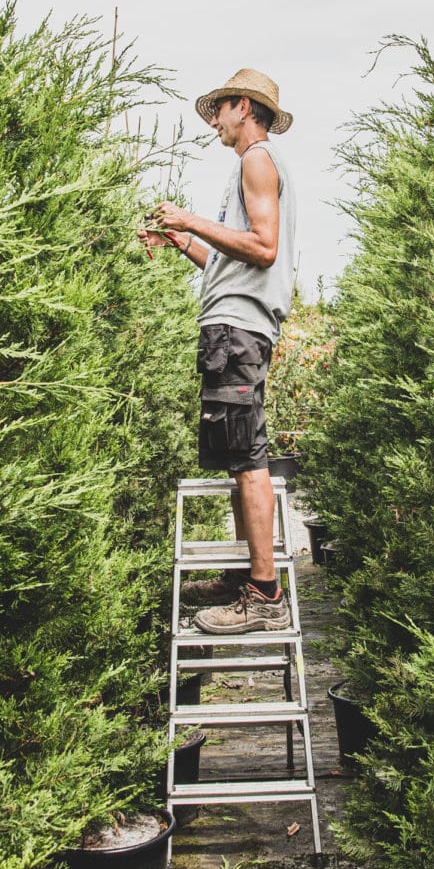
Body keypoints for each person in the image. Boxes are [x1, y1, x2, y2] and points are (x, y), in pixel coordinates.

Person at [140, 68, 298, 636]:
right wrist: (185, 240)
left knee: (249, 455)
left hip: (239, 333)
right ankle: (243, 575)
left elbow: (263, 246)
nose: (213, 122)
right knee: (237, 456)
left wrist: (191, 218)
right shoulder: (248, 168)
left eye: (218, 111)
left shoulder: (256, 161)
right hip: (231, 326)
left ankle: (263, 595)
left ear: (242, 107)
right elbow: (230, 266)